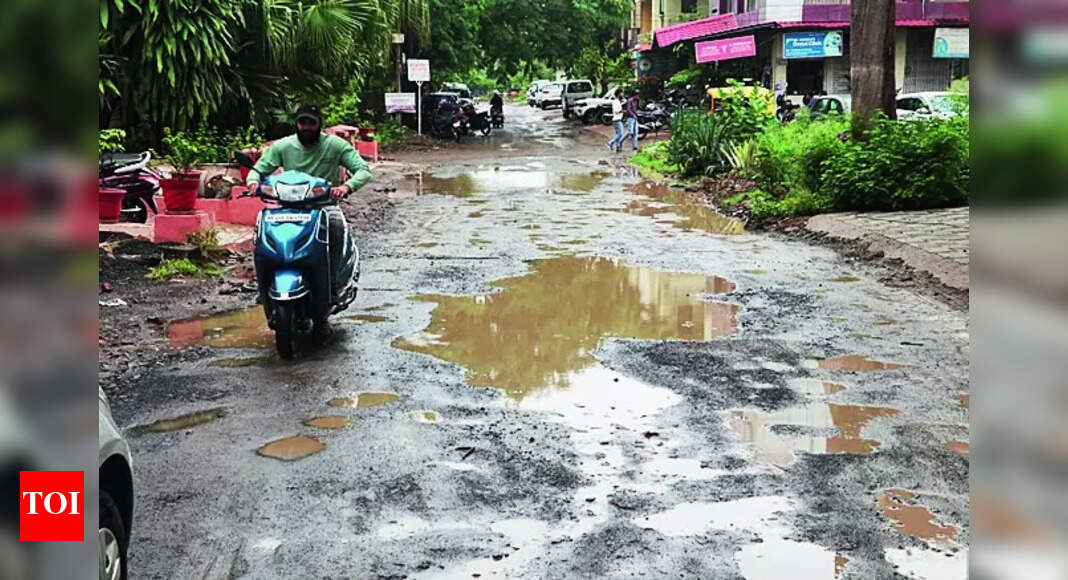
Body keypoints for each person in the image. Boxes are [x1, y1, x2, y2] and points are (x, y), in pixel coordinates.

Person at [245, 103, 371, 298]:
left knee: (336, 228)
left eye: (311, 123)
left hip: (324, 207)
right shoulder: (283, 146)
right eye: (302, 122)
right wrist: (253, 182)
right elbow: (259, 169)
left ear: (319, 124)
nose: (306, 127)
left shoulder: (335, 145)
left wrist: (346, 187)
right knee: (261, 234)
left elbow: (362, 169)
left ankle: (333, 283)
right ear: (296, 124)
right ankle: (263, 286)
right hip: (288, 208)